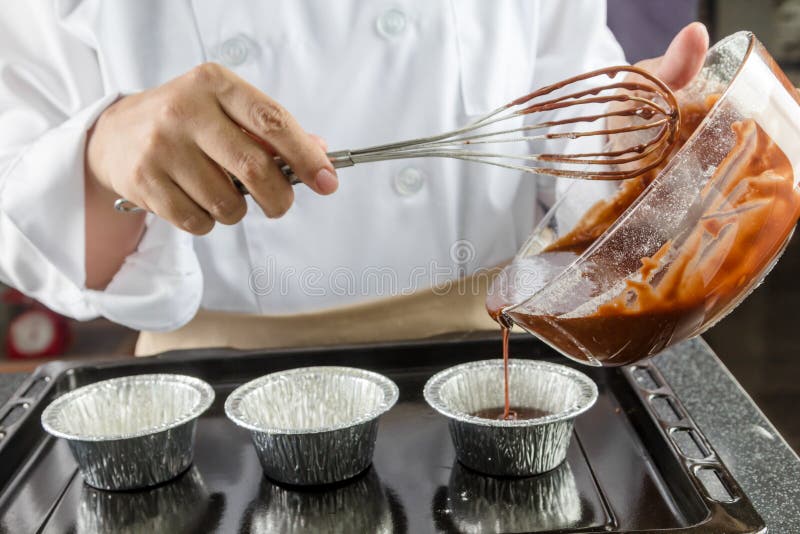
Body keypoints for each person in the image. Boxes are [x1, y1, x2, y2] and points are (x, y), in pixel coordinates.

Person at [0, 2, 708, 354]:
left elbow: (564, 114)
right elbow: (20, 186)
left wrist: (619, 151)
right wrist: (100, 149)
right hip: (210, 396)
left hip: (499, 366)